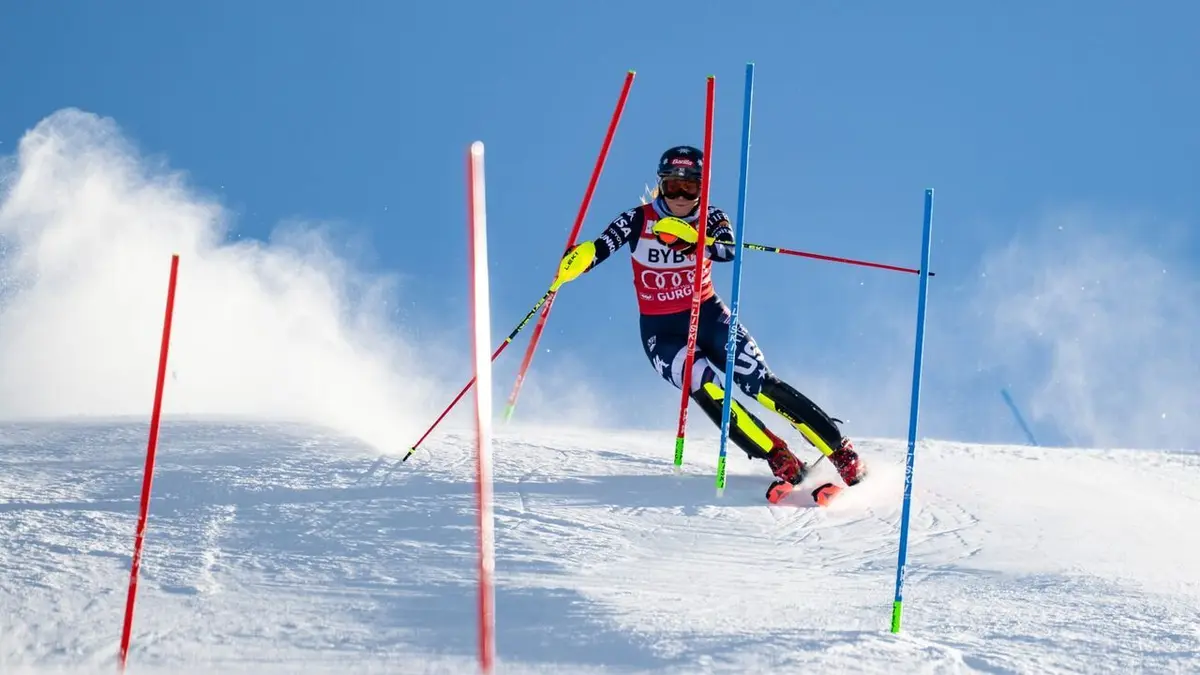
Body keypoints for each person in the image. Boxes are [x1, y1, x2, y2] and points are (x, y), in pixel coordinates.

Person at [553, 145, 866, 495]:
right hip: (662, 332)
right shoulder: (637, 219)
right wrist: (579, 259)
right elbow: (601, 247)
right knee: (707, 387)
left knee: (758, 382)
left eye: (690, 188)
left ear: (701, 188)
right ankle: (777, 455)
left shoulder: (712, 217)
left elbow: (727, 250)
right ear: (661, 186)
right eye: (673, 187)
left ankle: (840, 451)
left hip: (709, 317)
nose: (681, 196)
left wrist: (694, 242)